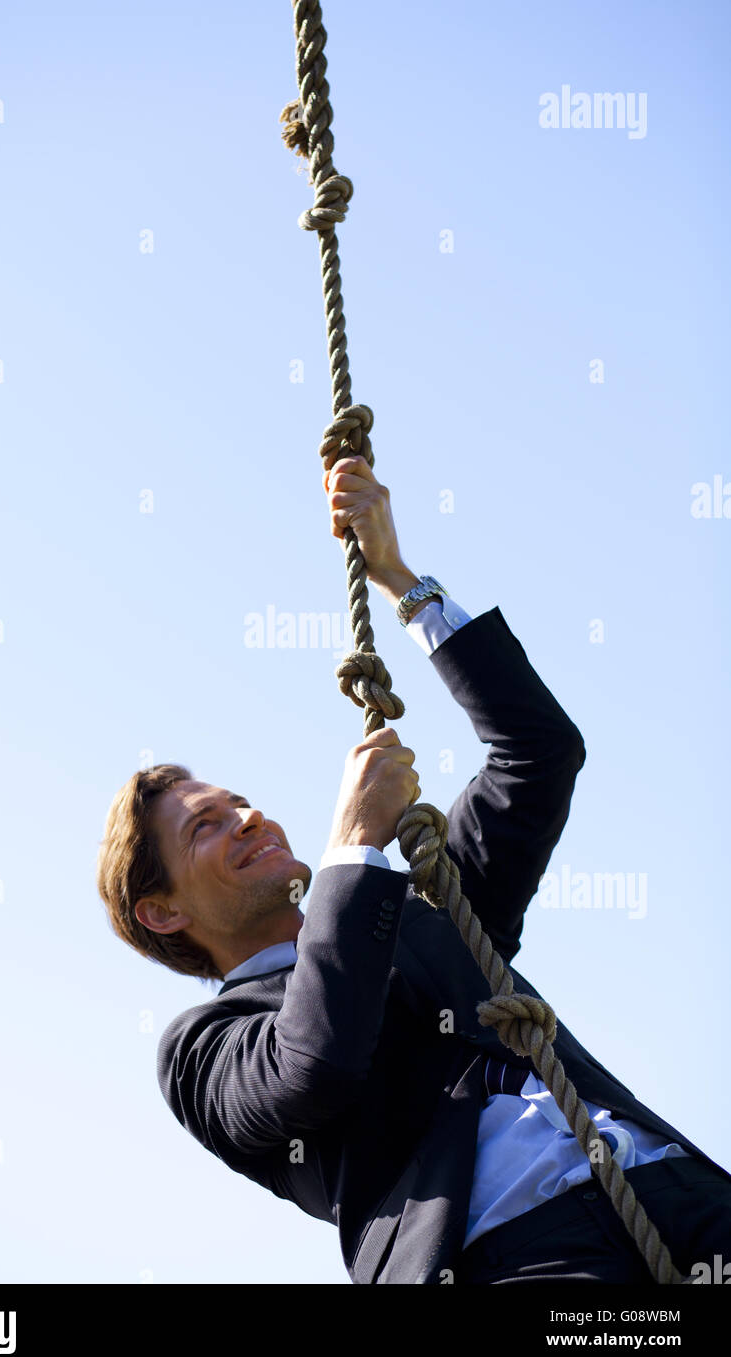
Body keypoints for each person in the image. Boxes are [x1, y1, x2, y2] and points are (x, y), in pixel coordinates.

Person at [96, 457, 731, 1284]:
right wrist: (353, 844)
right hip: (516, 1257)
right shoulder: (200, 1052)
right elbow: (313, 1062)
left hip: (674, 1194)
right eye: (207, 828)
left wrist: (405, 584)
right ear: (163, 912)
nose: (248, 817)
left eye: (241, 801)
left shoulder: (432, 919)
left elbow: (538, 757)